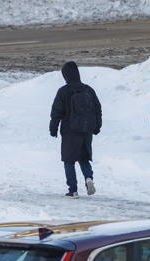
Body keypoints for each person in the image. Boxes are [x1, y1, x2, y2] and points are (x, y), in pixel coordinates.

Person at [49, 61, 102, 198]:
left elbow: (56, 112)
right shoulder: (88, 90)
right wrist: (97, 126)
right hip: (86, 130)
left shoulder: (63, 91)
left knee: (69, 161)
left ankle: (73, 190)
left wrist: (53, 128)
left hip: (69, 131)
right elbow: (97, 109)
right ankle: (89, 179)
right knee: (84, 158)